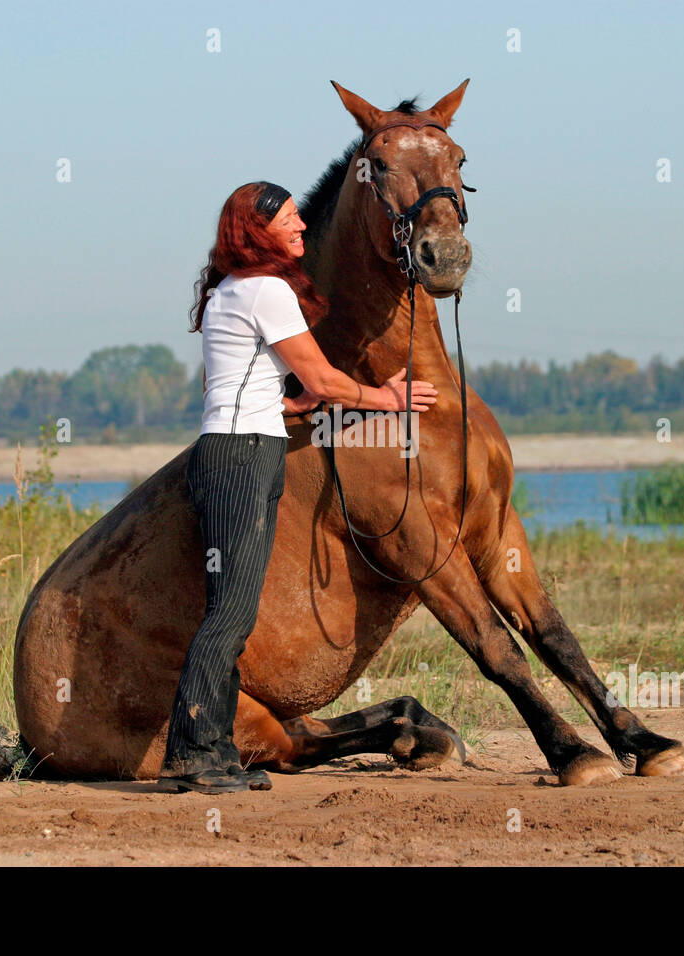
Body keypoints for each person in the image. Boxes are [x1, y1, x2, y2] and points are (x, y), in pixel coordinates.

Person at [158, 181, 438, 794]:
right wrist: (385, 398)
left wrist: (296, 402)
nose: (301, 228)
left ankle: (217, 752)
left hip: (237, 446)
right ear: (257, 231)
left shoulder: (231, 291)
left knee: (232, 610)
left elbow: (255, 389)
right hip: (242, 458)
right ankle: (191, 754)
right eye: (289, 220)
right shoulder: (265, 290)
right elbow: (325, 378)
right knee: (230, 613)